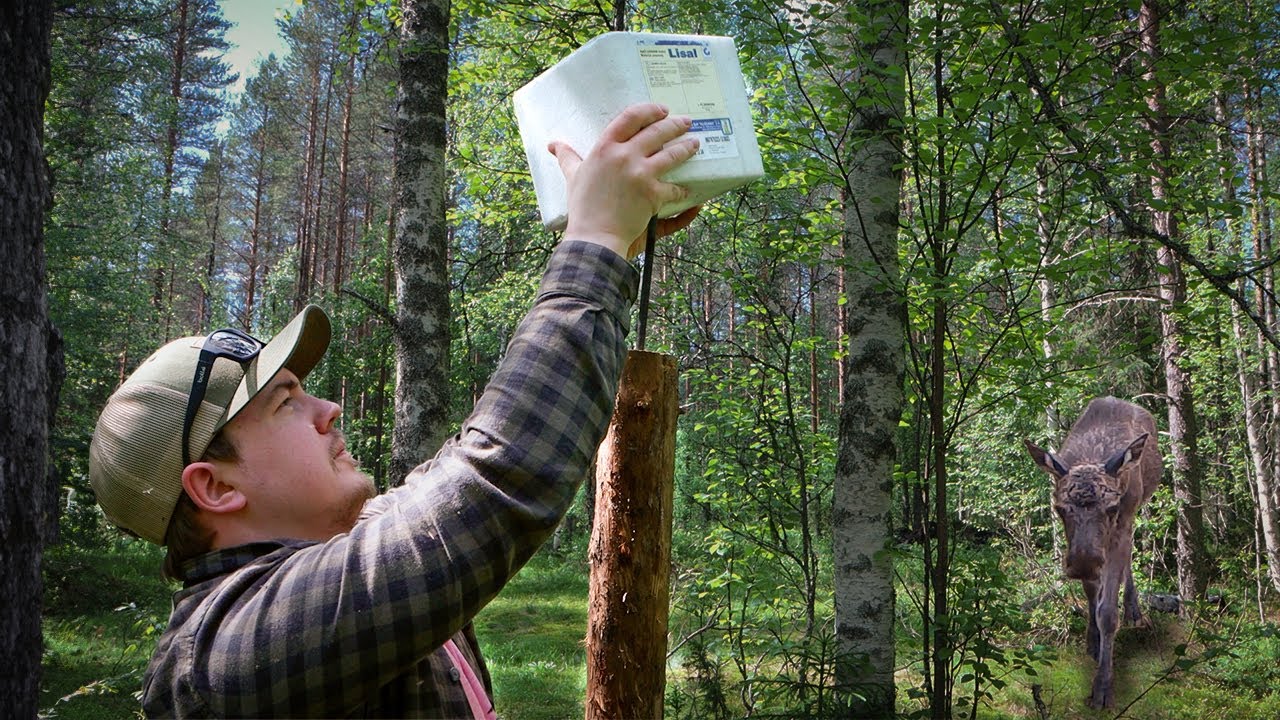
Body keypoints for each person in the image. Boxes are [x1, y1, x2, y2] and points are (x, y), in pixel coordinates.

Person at [88, 103, 701, 718]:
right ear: (214, 486)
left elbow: (461, 471)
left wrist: (613, 230)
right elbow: (495, 482)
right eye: (285, 404)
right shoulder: (222, 657)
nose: (327, 410)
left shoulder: (344, 542)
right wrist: (595, 243)